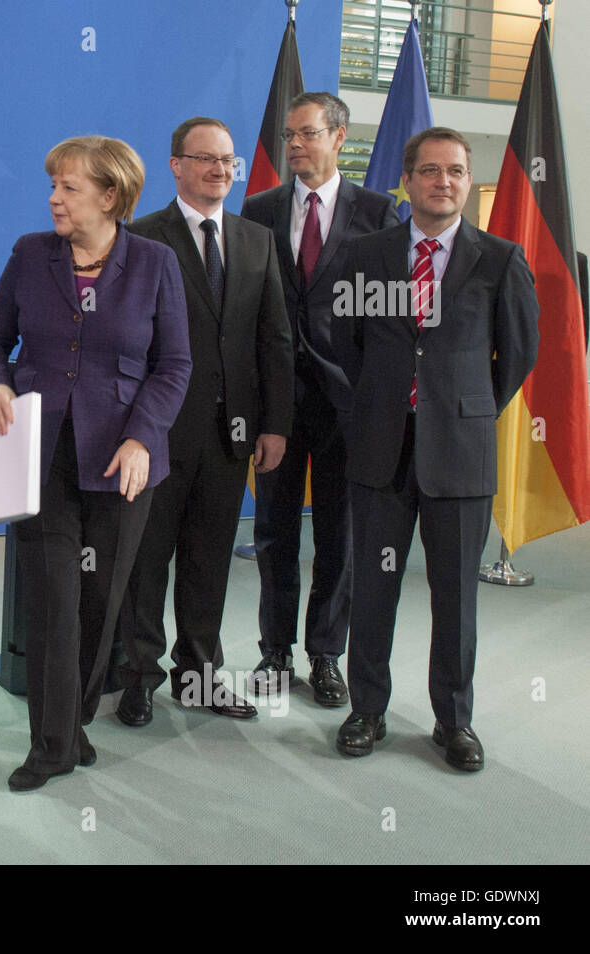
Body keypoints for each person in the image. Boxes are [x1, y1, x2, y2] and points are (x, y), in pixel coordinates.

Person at [0, 136, 191, 791]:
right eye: (54, 185)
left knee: (100, 607)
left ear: (110, 195)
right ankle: (50, 745)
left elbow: (174, 364)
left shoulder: (156, 263)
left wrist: (143, 436)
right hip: (38, 457)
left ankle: (72, 724)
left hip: (121, 463)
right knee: (51, 605)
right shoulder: (29, 253)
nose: (53, 199)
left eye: (68, 187)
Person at [334, 127, 538, 771]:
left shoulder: (500, 259)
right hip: (380, 451)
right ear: (408, 180)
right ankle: (366, 709)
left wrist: (462, 406)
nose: (442, 182)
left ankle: (454, 722)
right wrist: (386, 397)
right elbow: (345, 341)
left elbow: (518, 356)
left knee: (455, 597)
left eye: (454, 171)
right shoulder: (367, 255)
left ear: (466, 181)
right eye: (429, 171)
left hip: (460, 454)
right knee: (374, 587)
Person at [115, 117, 292, 725]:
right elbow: (128, 344)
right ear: (176, 165)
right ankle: (138, 676)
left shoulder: (255, 240)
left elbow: (273, 339)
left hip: (231, 437)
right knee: (145, 562)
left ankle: (199, 676)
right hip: (158, 433)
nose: (220, 170)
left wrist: (274, 425)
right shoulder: (139, 237)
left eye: (228, 160)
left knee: (209, 559)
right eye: (206, 159)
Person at [242, 92, 399, 706]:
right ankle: (274, 651)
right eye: (289, 135)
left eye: (307, 133)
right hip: (276, 403)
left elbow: (389, 316)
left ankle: (326, 656)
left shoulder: (380, 212)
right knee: (275, 533)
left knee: (341, 536)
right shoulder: (258, 209)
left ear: (339, 136)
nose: (295, 144)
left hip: (349, 405)